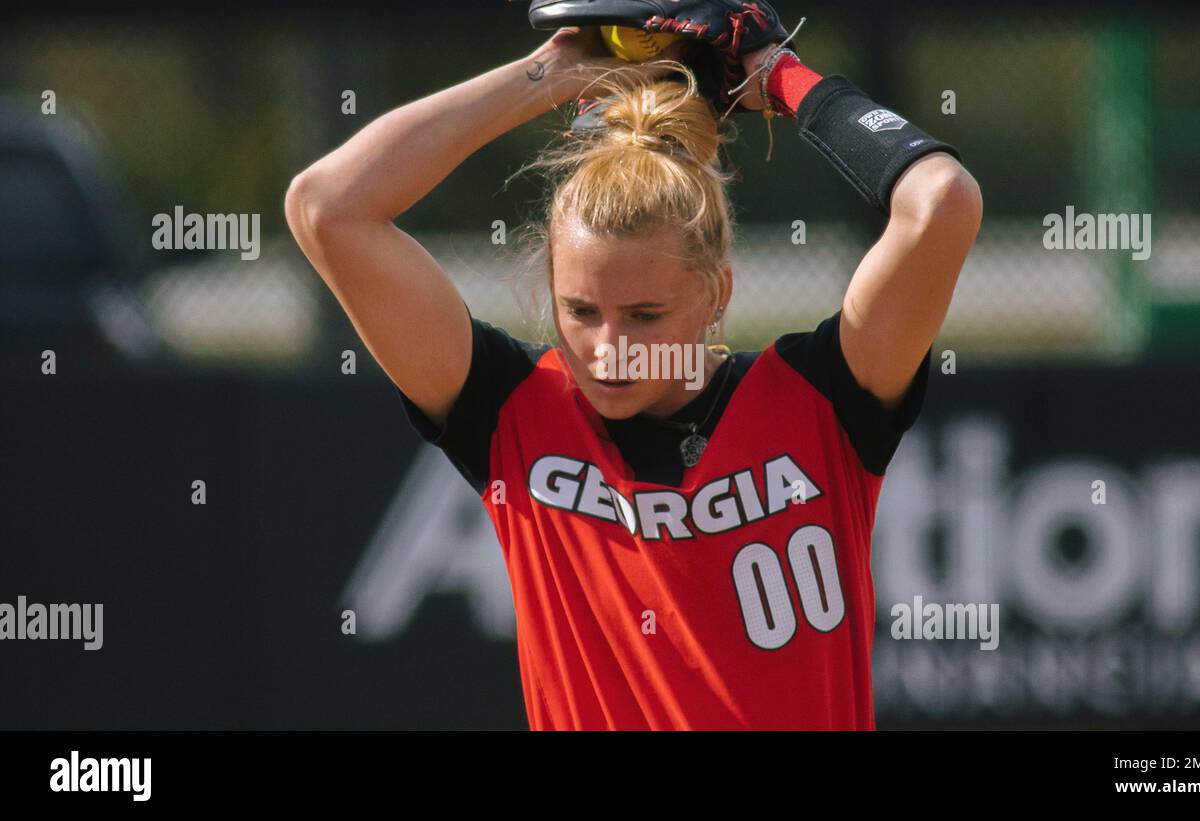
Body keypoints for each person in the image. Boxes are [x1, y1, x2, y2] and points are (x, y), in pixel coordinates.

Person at [285, 13, 982, 729]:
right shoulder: (516, 413)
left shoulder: (823, 399)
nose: (607, 346)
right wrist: (553, 74)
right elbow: (327, 206)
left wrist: (781, 76)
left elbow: (942, 203)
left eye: (645, 315)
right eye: (580, 310)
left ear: (716, 293)